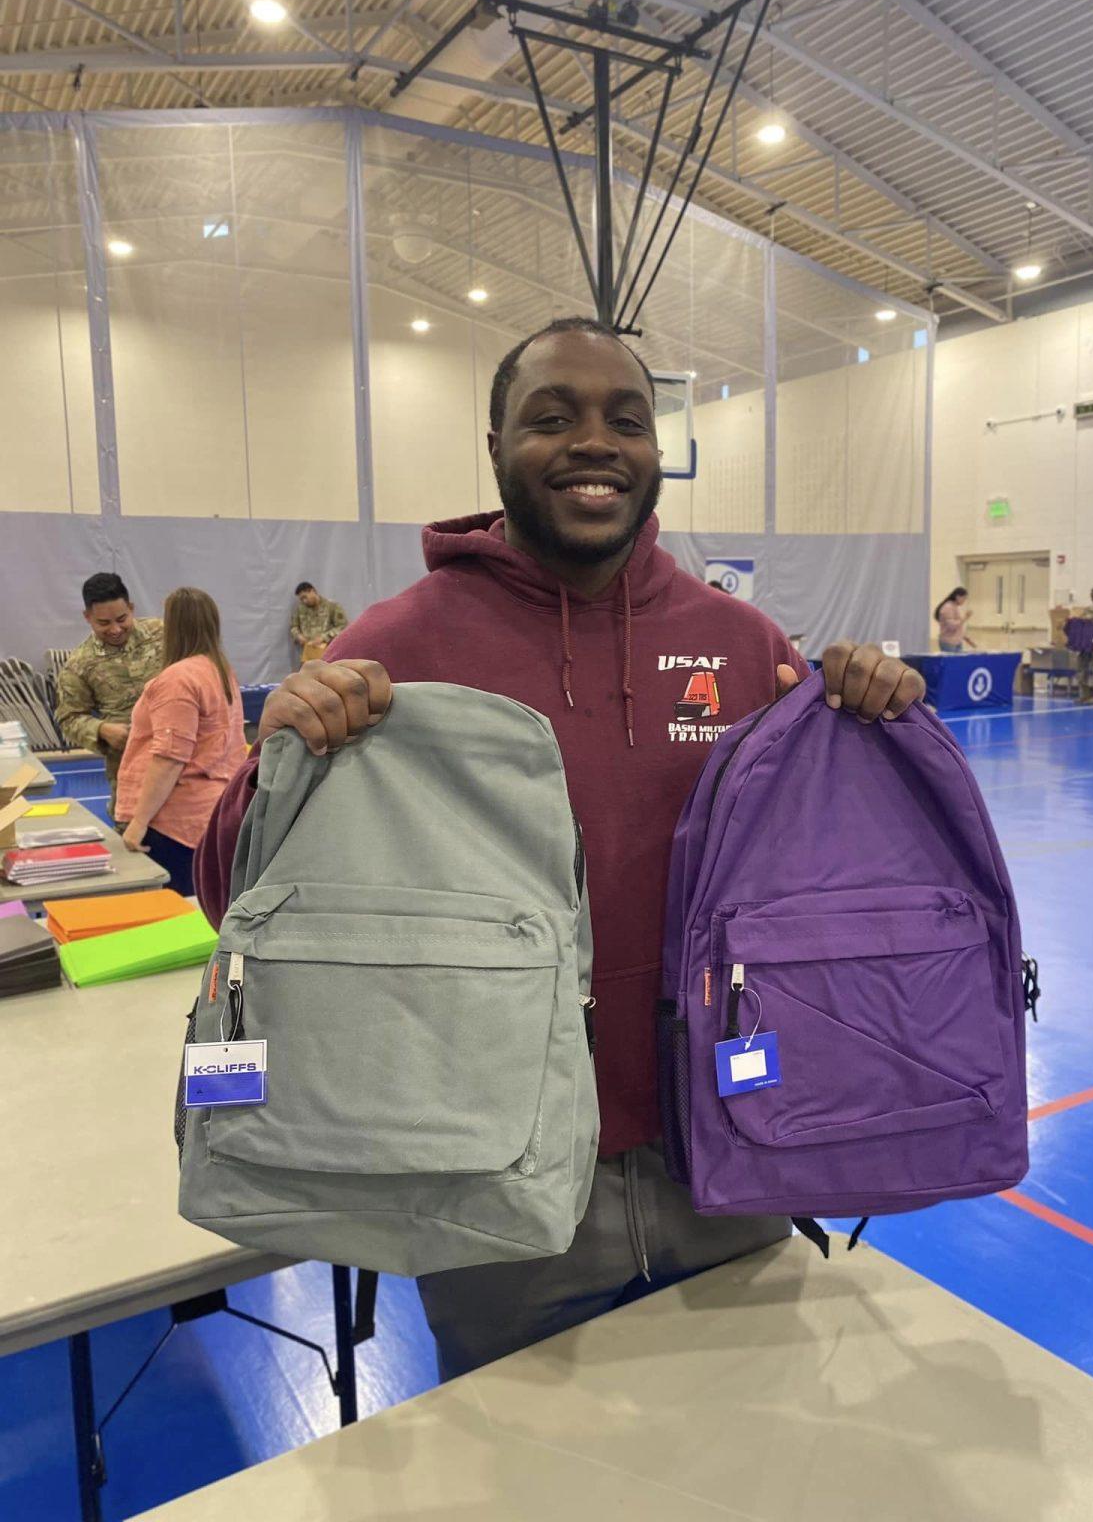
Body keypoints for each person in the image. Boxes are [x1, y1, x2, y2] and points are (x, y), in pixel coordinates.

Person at [195, 318, 926, 1380]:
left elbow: (821, 878)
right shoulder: (397, 648)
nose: (594, 442)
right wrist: (278, 758)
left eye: (625, 420)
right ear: (494, 446)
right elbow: (236, 895)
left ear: (654, 451)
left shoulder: (742, 642)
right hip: (492, 1180)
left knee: (744, 1456)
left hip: (722, 1154)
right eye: (552, 418)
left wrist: (870, 719)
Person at [116, 588, 247, 896]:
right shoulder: (220, 670)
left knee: (174, 916)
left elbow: (169, 758)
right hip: (211, 813)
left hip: (176, 822)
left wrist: (139, 821)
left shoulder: (178, 678)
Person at [55, 573, 164, 812]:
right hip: (128, 770)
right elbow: (69, 717)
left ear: (131, 608)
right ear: (87, 617)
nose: (115, 629)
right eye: (103, 623)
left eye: (122, 618)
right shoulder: (80, 664)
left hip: (180, 762)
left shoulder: (163, 635)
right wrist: (102, 730)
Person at [290, 582, 348, 663]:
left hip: (329, 652)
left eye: (305, 597)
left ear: (312, 591)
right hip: (308, 653)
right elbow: (294, 627)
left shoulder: (332, 606)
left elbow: (343, 627)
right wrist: (298, 636)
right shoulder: (300, 609)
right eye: (301, 599)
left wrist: (323, 637)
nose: (304, 601)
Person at [935, 587, 975, 653]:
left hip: (956, 642)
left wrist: (965, 637)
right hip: (948, 642)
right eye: (964, 598)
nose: (964, 601)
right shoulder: (947, 607)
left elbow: (958, 626)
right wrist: (965, 617)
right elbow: (951, 626)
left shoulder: (955, 607)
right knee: (951, 662)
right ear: (957, 597)